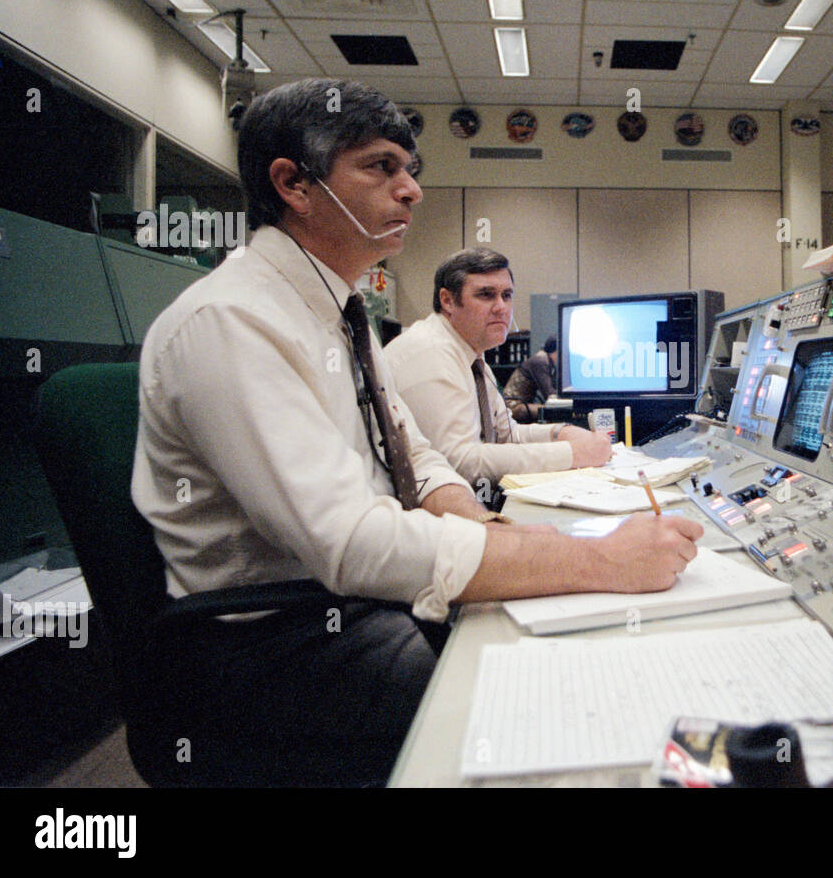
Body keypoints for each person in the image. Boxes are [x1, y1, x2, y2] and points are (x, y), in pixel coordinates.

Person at [131, 79, 701, 786]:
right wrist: (598, 562)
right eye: (381, 167)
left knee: (557, 636)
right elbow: (349, 541)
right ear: (293, 184)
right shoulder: (231, 323)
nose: (412, 190)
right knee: (531, 711)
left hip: (347, 603)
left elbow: (416, 458)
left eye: (411, 170)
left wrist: (502, 535)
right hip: (273, 642)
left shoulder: (339, 314)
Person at [384, 249, 613, 489]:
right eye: (486, 295)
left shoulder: (473, 356)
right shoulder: (429, 352)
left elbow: (507, 435)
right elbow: (459, 462)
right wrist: (572, 454)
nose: (501, 307)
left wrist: (560, 433)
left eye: (506, 295)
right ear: (448, 300)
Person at [503, 335, 558, 424]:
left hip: (519, 403)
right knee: (550, 412)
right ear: (556, 351)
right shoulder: (540, 361)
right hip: (513, 405)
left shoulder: (545, 360)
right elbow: (549, 393)